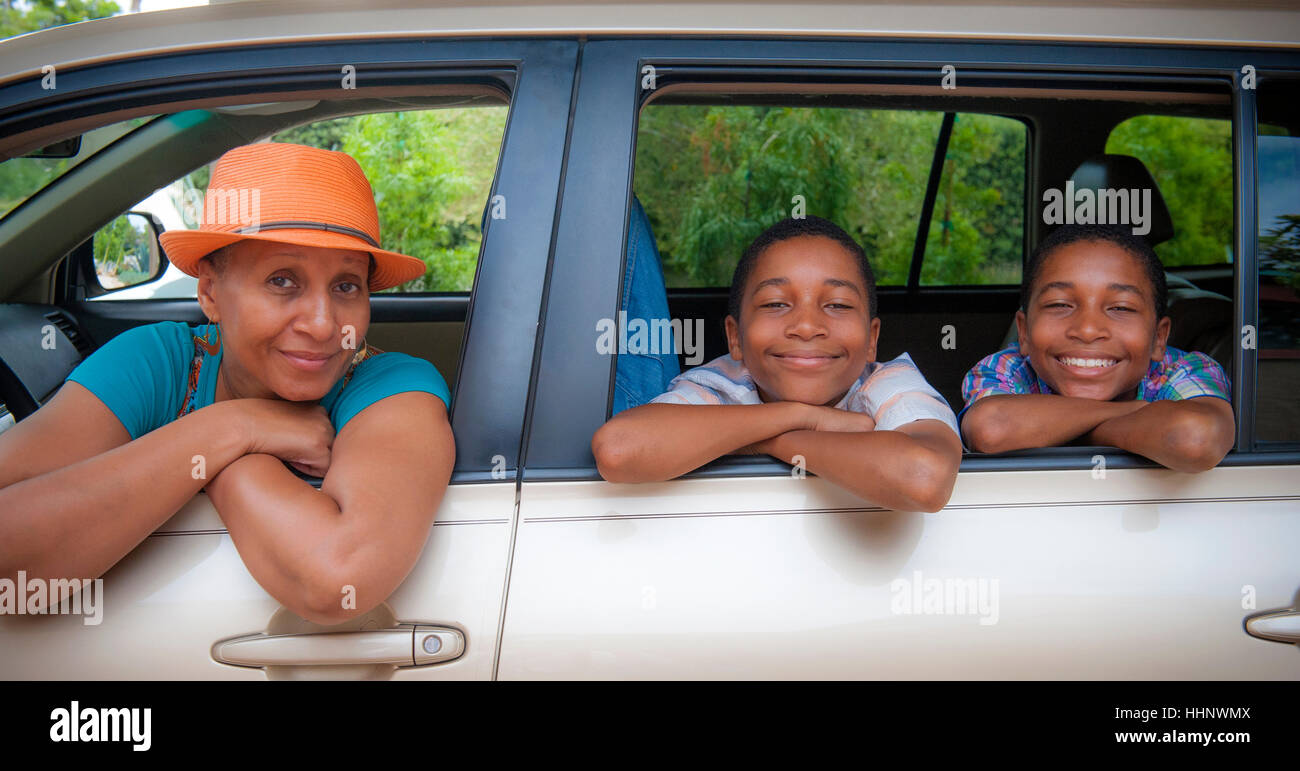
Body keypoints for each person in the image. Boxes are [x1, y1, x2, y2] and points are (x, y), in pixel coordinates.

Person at [0, 142, 455, 625]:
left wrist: (220, 461)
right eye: (283, 281)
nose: (323, 326)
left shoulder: (392, 386)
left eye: (346, 286)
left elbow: (336, 577)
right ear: (211, 293)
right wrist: (231, 429)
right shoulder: (158, 362)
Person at [592, 216, 962, 513]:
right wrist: (806, 418)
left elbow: (922, 476)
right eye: (775, 304)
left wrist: (767, 440)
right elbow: (620, 450)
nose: (806, 326)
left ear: (871, 339)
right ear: (735, 337)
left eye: (837, 305)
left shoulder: (886, 383)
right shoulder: (724, 382)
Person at [959, 223, 1234, 471]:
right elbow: (990, 429)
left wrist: (1080, 430)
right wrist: (1133, 412)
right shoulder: (1008, 369)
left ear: (1159, 338)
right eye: (1059, 304)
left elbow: (1196, 438)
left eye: (1120, 308)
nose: (1088, 330)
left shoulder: (1184, 369)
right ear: (1024, 332)